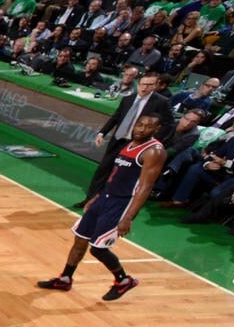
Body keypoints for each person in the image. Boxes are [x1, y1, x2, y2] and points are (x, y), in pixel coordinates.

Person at [38, 113, 167, 301]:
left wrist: (128, 217)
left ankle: (124, 281)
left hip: (121, 203)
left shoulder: (154, 151)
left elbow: (145, 187)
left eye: (148, 126)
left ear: (157, 129)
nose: (142, 129)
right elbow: (116, 175)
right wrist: (97, 196)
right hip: (105, 197)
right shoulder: (130, 144)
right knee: (80, 239)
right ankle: (65, 278)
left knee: (98, 248)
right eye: (140, 124)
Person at [81, 71, 171, 204]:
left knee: (123, 175)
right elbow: (116, 117)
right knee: (103, 170)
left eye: (149, 85)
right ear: (138, 84)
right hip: (118, 139)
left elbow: (169, 124)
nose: (144, 87)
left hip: (137, 144)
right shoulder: (128, 98)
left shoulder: (161, 102)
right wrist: (102, 133)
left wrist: (151, 142)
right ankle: (90, 199)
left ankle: (110, 202)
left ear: (155, 86)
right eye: (142, 84)